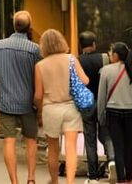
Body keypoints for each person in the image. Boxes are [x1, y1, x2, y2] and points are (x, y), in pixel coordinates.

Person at [0, 11, 40, 184]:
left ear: (14, 25)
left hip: (6, 101)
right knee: (31, 140)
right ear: (28, 27)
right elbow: (40, 75)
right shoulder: (34, 49)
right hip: (28, 102)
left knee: (9, 141)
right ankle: (31, 179)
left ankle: (14, 181)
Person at [34, 29, 88, 184]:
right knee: (71, 148)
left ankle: (55, 181)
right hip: (71, 107)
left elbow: (38, 94)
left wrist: (39, 108)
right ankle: (70, 182)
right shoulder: (71, 59)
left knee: (53, 149)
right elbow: (85, 80)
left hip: (50, 109)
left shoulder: (40, 65)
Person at [98, 43, 132, 184]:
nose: (110, 55)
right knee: (128, 148)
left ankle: (121, 180)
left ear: (116, 55)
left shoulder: (105, 71)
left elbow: (101, 97)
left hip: (113, 112)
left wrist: (100, 116)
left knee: (118, 147)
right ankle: (129, 178)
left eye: (111, 53)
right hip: (130, 112)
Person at [78, 31, 113, 184]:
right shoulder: (105, 58)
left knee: (90, 138)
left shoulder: (77, 61)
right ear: (94, 45)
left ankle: (93, 175)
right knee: (106, 133)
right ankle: (112, 160)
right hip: (103, 101)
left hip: (86, 103)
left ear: (81, 46)